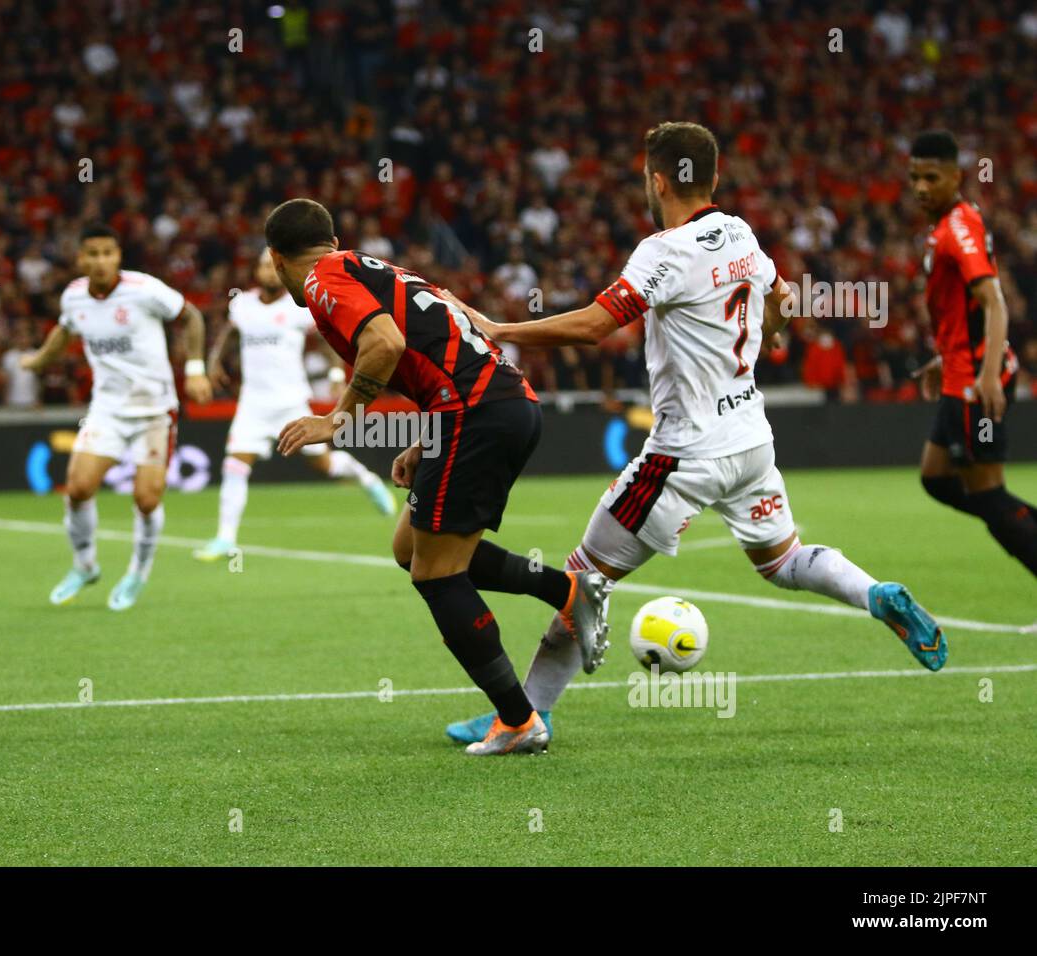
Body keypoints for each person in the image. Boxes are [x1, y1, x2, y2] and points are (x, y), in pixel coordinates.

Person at [440, 123, 946, 745]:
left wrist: (498, 327)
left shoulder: (664, 249)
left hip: (682, 457)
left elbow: (598, 325)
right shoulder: (740, 232)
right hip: (751, 441)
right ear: (712, 177)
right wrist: (773, 333)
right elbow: (781, 297)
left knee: (581, 583)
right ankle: (875, 593)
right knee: (783, 560)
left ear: (657, 180)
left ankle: (525, 717)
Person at [265, 198, 608, 756]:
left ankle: (519, 721)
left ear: (276, 257)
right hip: (492, 403)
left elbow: (385, 345)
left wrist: (338, 420)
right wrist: (426, 441)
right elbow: (438, 348)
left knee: (436, 575)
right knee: (411, 548)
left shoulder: (324, 278)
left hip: (476, 411)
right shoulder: (373, 266)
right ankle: (566, 589)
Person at [20, 223, 212, 611]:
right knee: (78, 488)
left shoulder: (144, 290)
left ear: (118, 256)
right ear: (80, 259)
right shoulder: (74, 297)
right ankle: (85, 566)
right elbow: (64, 331)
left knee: (145, 499)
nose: (100, 261)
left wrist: (194, 369)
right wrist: (40, 360)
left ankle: (137, 573)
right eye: (92, 254)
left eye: (108, 253)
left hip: (155, 410)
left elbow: (192, 317)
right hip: (107, 409)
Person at [194, 249, 395, 561]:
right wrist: (213, 364)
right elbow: (228, 336)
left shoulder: (298, 307)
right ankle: (225, 538)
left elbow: (327, 339)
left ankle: (366, 478)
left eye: (271, 265)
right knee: (234, 465)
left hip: (291, 401)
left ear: (281, 268)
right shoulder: (242, 305)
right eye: (260, 265)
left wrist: (333, 372)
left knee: (323, 465)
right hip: (253, 404)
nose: (266, 270)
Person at [908, 129, 1033, 578]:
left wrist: (986, 374)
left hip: (974, 386)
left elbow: (994, 301)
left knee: (987, 495)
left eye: (932, 177)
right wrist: (946, 358)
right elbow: (964, 311)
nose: (922, 187)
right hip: (959, 373)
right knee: (936, 478)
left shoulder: (957, 229)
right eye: (915, 177)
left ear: (955, 177)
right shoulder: (949, 224)